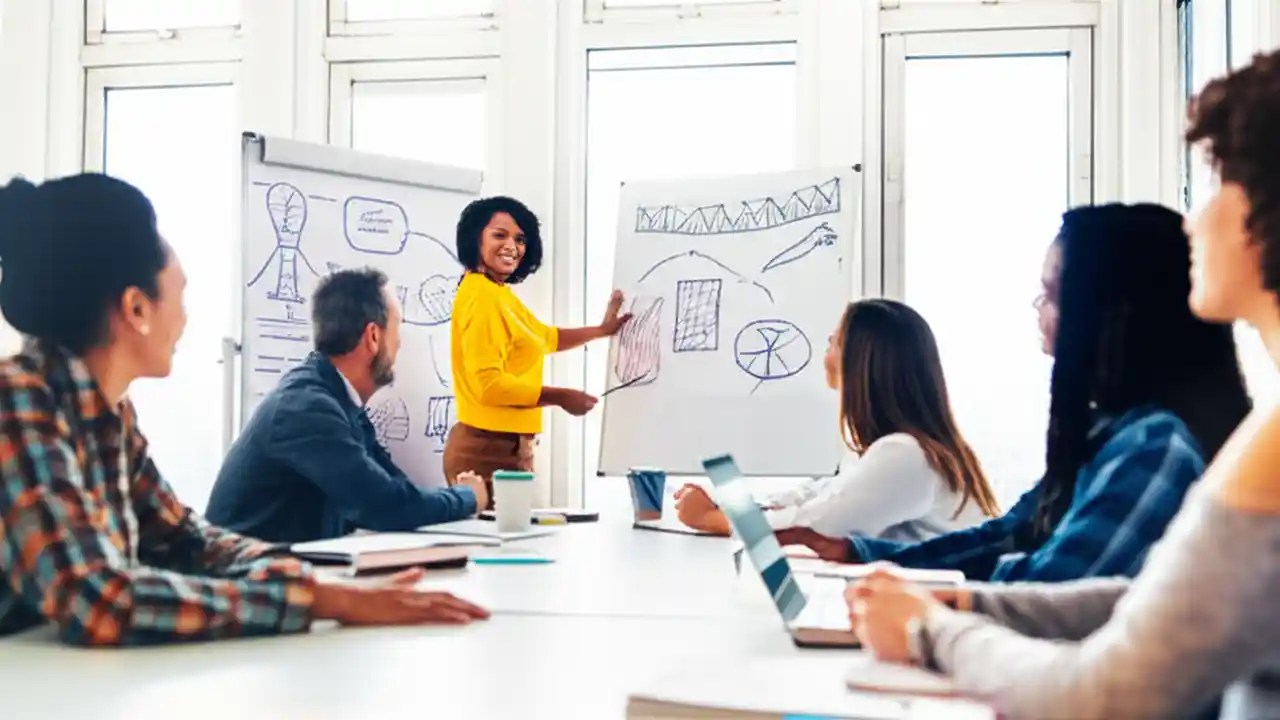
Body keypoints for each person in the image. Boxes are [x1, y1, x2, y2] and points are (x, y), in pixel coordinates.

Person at [846, 50, 1280, 720]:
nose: (1193, 221)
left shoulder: (1231, 443)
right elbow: (1145, 599)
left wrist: (928, 629)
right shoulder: (1257, 430)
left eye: (1222, 180)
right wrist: (958, 602)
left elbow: (1102, 693)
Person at [0, 174, 487, 645]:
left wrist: (315, 587)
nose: (186, 317)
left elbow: (186, 539)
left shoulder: (107, 413)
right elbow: (97, 601)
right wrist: (317, 602)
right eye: (181, 295)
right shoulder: (17, 400)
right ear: (137, 309)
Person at [779, 203, 1251, 583]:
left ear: (1109, 314)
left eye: (1051, 293)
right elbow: (1013, 534)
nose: (1037, 307)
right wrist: (861, 553)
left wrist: (935, 607)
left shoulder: (1155, 445)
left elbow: (1051, 586)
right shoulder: (1108, 431)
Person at [673, 299, 999, 539]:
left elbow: (819, 525)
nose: (825, 352)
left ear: (862, 363)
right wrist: (726, 500)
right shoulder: (878, 451)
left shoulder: (906, 455)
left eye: (834, 341)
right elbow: (814, 498)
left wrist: (711, 519)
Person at [208, 268, 487, 543]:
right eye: (397, 326)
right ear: (373, 336)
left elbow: (397, 490)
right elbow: (388, 506)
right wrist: (468, 497)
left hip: (291, 569)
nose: (400, 343)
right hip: (248, 578)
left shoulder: (339, 402)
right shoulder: (306, 408)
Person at [444, 196, 629, 505]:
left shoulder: (496, 291)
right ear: (475, 238)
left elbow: (544, 337)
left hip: (505, 446)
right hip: (486, 449)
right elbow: (489, 387)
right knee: (501, 548)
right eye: (499, 235)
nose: (512, 246)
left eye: (520, 239)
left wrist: (600, 331)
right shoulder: (483, 297)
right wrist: (560, 397)